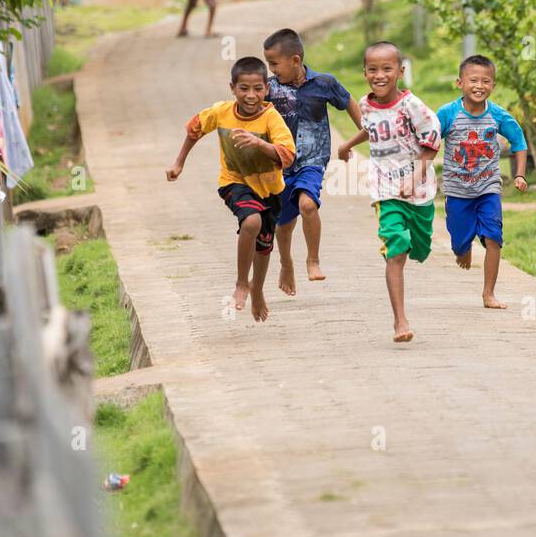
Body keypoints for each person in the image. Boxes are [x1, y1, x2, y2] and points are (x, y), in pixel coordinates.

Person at [166, 57, 295, 322]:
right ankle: (241, 283)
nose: (251, 95)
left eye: (258, 88)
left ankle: (257, 289)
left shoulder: (272, 118)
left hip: (270, 190)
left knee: (264, 245)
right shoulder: (221, 112)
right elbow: (194, 129)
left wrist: (259, 145)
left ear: (266, 89)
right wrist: (179, 162)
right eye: (244, 89)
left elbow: (288, 154)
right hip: (233, 182)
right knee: (251, 222)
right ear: (232, 88)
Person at [337, 41, 441, 343]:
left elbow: (432, 142)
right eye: (372, 70)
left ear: (400, 71)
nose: (379, 75)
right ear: (365, 72)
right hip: (385, 190)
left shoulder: (413, 106)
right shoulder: (366, 103)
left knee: (418, 248)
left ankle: (417, 245)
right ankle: (400, 321)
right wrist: (347, 145)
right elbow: (370, 127)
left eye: (387, 69)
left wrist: (415, 177)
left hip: (419, 191)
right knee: (396, 248)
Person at [262, 27, 364, 296]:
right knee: (283, 226)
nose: (271, 70)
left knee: (308, 204)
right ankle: (286, 263)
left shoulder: (324, 83)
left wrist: (365, 132)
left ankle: (313, 259)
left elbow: (349, 102)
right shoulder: (269, 89)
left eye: (274, 63)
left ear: (295, 61)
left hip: (312, 160)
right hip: (278, 165)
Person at [436, 54, 528, 309]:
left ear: (493, 86)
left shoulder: (498, 115)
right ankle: (463, 247)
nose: (479, 86)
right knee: (459, 243)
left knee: (494, 238)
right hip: (456, 190)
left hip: (488, 187)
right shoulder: (447, 114)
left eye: (485, 81)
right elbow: (429, 141)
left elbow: (519, 142)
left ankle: (489, 294)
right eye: (473, 80)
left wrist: (519, 174)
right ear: (460, 83)